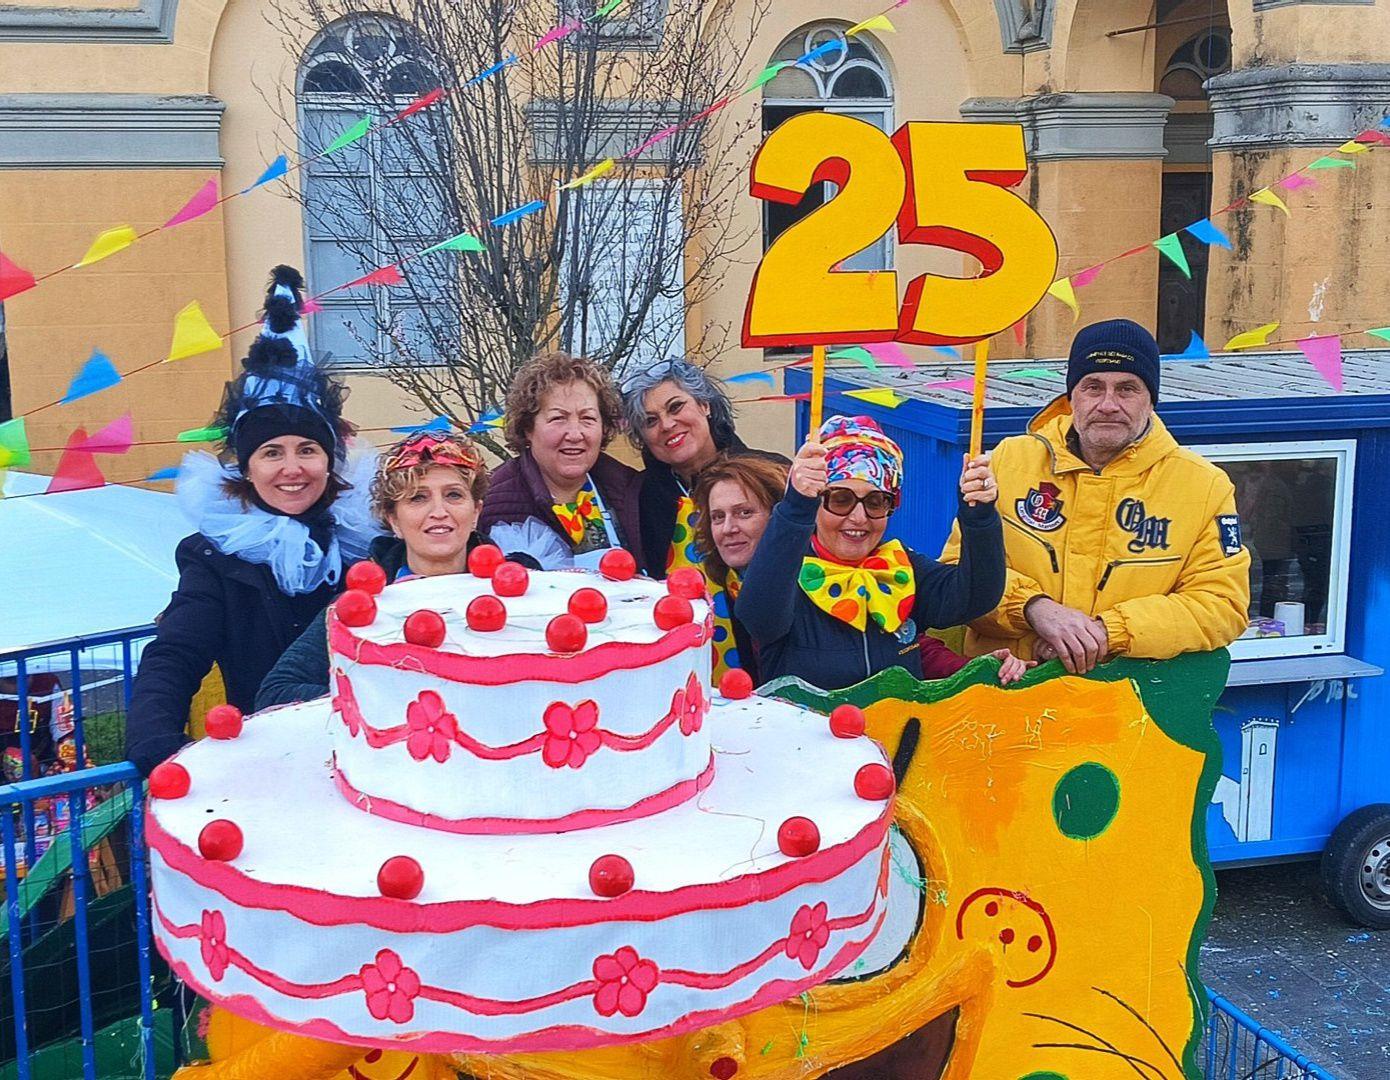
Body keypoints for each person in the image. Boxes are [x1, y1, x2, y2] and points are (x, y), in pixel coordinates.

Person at [125, 266, 378, 776]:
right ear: (246, 466)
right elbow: (174, 654)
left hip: (369, 750)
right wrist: (158, 748)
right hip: (266, 764)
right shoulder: (216, 557)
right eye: (271, 453)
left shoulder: (370, 541)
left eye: (308, 449)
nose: (292, 469)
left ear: (330, 461)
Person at [941, 318, 1251, 673]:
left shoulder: (1203, 486)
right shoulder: (1009, 460)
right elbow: (955, 574)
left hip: (1126, 706)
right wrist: (1033, 609)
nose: (1107, 404)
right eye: (1092, 386)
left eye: (1127, 388)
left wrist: (1105, 633)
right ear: (1070, 396)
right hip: (1004, 695)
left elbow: (1221, 605)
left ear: (1152, 399)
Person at [736, 415, 1009, 691]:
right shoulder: (784, 570)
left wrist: (979, 515)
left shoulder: (902, 566)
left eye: (876, 502)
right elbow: (759, 617)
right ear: (817, 501)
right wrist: (796, 506)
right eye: (841, 499)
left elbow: (975, 595)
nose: (858, 517)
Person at [258, 431, 499, 708]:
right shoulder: (361, 604)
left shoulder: (526, 587)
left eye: (453, 495)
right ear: (393, 520)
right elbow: (277, 690)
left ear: (476, 512)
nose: (439, 511)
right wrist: (380, 702)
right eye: (418, 498)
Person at [621, 359, 786, 579]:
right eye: (650, 421)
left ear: (704, 405)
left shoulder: (772, 473)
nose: (667, 425)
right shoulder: (638, 499)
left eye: (676, 407)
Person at [480, 352, 643, 570]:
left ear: (603, 427)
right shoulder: (491, 502)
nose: (575, 434)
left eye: (588, 418)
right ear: (528, 427)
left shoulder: (632, 490)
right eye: (558, 418)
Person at [690, 454, 788, 685]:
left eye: (744, 513)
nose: (728, 528)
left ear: (777, 517)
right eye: (717, 517)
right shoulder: (727, 585)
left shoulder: (805, 587)